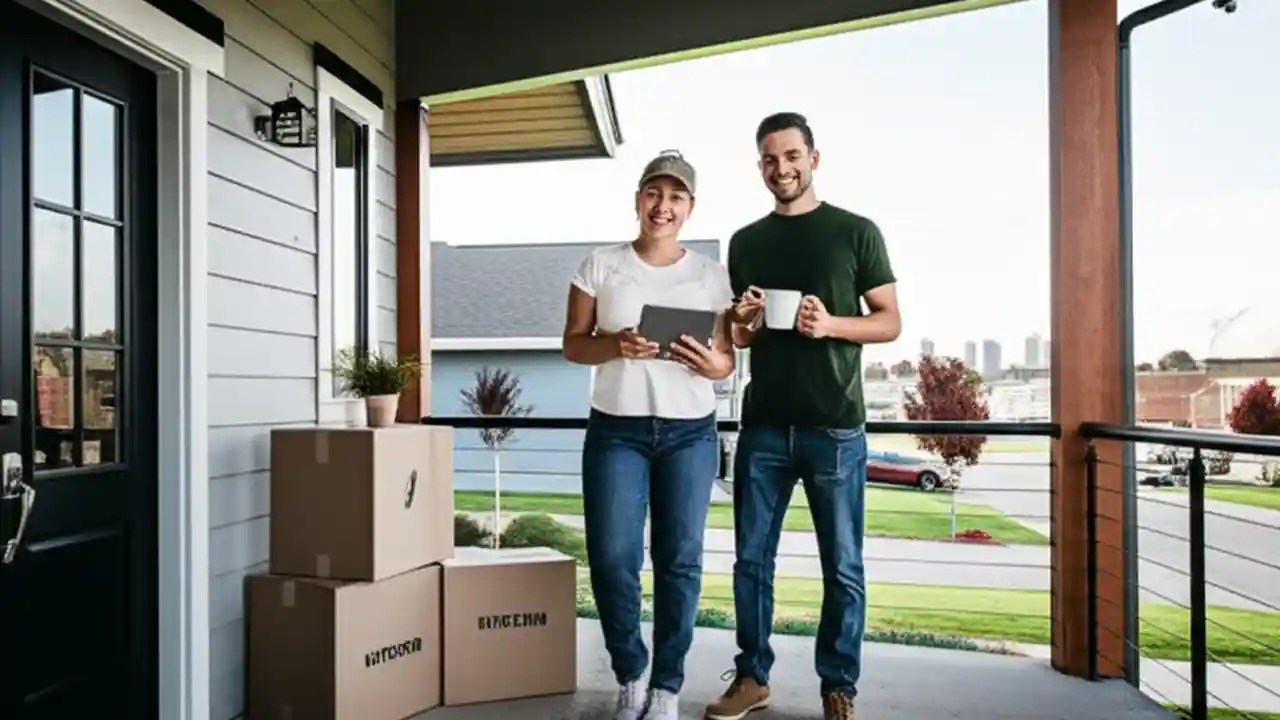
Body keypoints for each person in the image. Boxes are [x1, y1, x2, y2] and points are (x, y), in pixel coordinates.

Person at [704, 113, 901, 720]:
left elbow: (889, 320)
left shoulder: (856, 232)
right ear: (758, 166)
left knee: (842, 566)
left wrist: (832, 325)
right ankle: (751, 676)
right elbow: (737, 338)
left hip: (836, 426)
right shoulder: (745, 242)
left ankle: (838, 685)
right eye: (769, 159)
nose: (781, 168)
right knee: (750, 562)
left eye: (791, 155)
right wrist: (744, 321)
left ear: (815, 157)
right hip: (763, 425)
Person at [562, 149, 737, 720]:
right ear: (638, 198)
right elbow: (573, 343)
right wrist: (617, 344)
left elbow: (725, 363)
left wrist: (708, 364)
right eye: (654, 194)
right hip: (616, 430)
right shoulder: (600, 264)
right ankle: (631, 673)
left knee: (678, 561)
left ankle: (666, 687)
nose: (663, 206)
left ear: (690, 208)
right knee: (612, 557)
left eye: (676, 197)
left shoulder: (712, 275)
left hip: (689, 433)